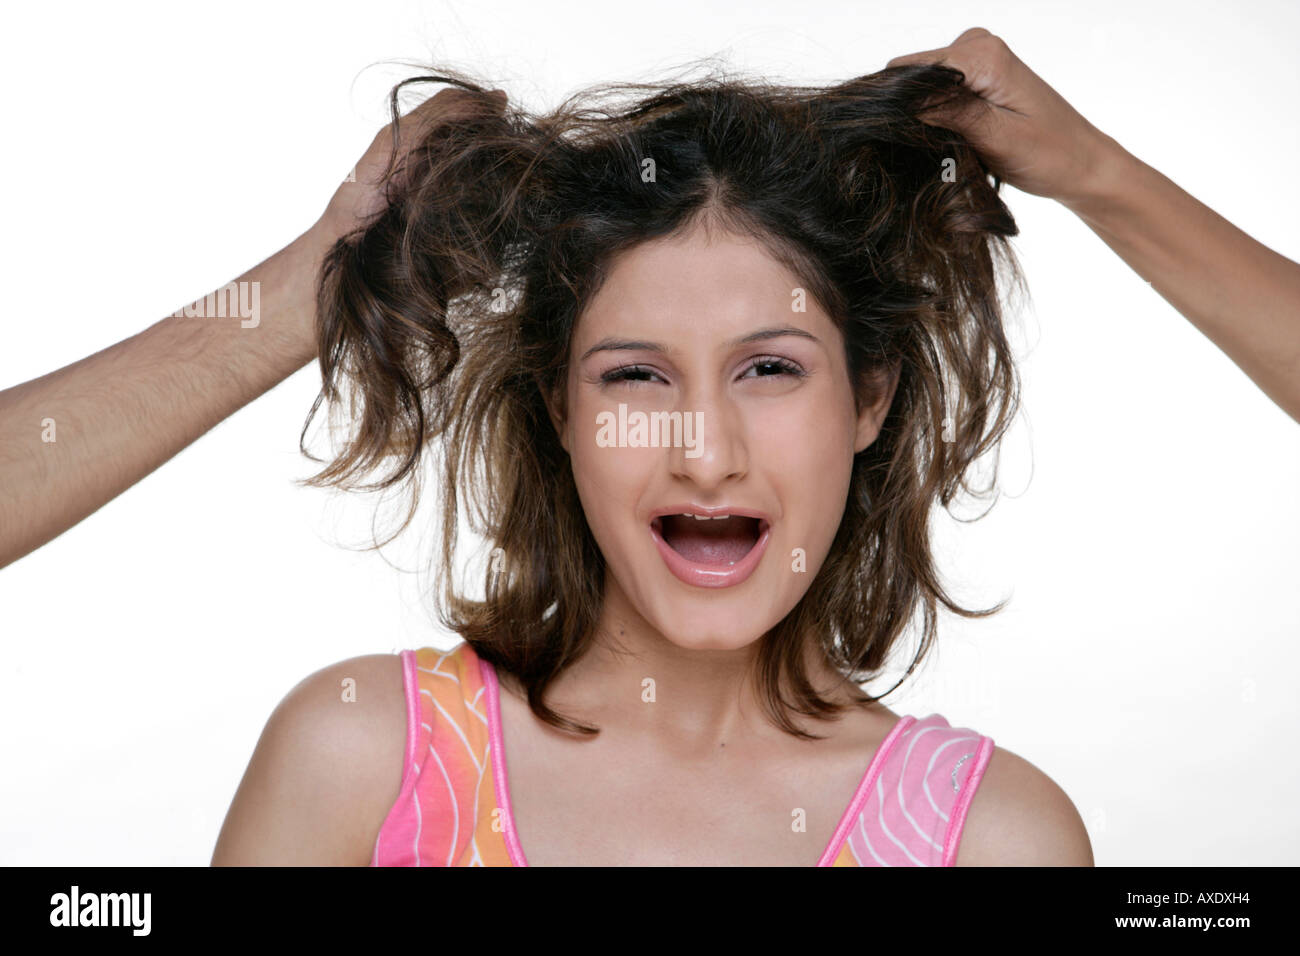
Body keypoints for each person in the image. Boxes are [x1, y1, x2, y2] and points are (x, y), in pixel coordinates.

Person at [2, 28, 1294, 865]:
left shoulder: (994, 842)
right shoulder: (361, 765)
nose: (705, 449)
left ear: (874, 401)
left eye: (771, 370)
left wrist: (1103, 171)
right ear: (561, 411)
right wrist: (321, 281)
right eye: (635, 375)